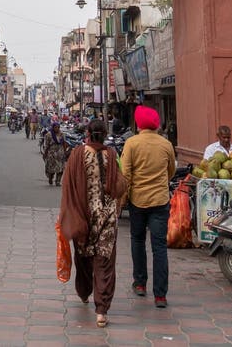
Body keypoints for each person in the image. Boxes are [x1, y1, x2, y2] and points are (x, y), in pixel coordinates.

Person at [59, 119, 127, 328]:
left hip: (83, 216)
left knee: (85, 258)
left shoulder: (78, 154)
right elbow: (120, 186)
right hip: (106, 219)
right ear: (105, 134)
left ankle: (84, 292)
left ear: (87, 134)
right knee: (104, 262)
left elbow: (66, 183)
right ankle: (101, 312)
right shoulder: (112, 155)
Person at [121, 105, 176, 308]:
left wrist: (123, 198)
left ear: (138, 124)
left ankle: (140, 283)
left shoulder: (132, 143)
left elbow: (125, 173)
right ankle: (160, 295)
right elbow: (171, 170)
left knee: (137, 240)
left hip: (138, 199)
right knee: (159, 247)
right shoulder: (166, 144)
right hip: (160, 200)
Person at [43, 121, 70, 186]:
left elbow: (64, 143)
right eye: (55, 127)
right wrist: (45, 153)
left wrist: (65, 151)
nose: (57, 129)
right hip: (51, 153)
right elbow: (46, 145)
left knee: (61, 168)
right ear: (53, 127)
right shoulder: (48, 135)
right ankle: (50, 178)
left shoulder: (62, 134)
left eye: (58, 127)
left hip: (60, 153)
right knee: (51, 168)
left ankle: (58, 181)